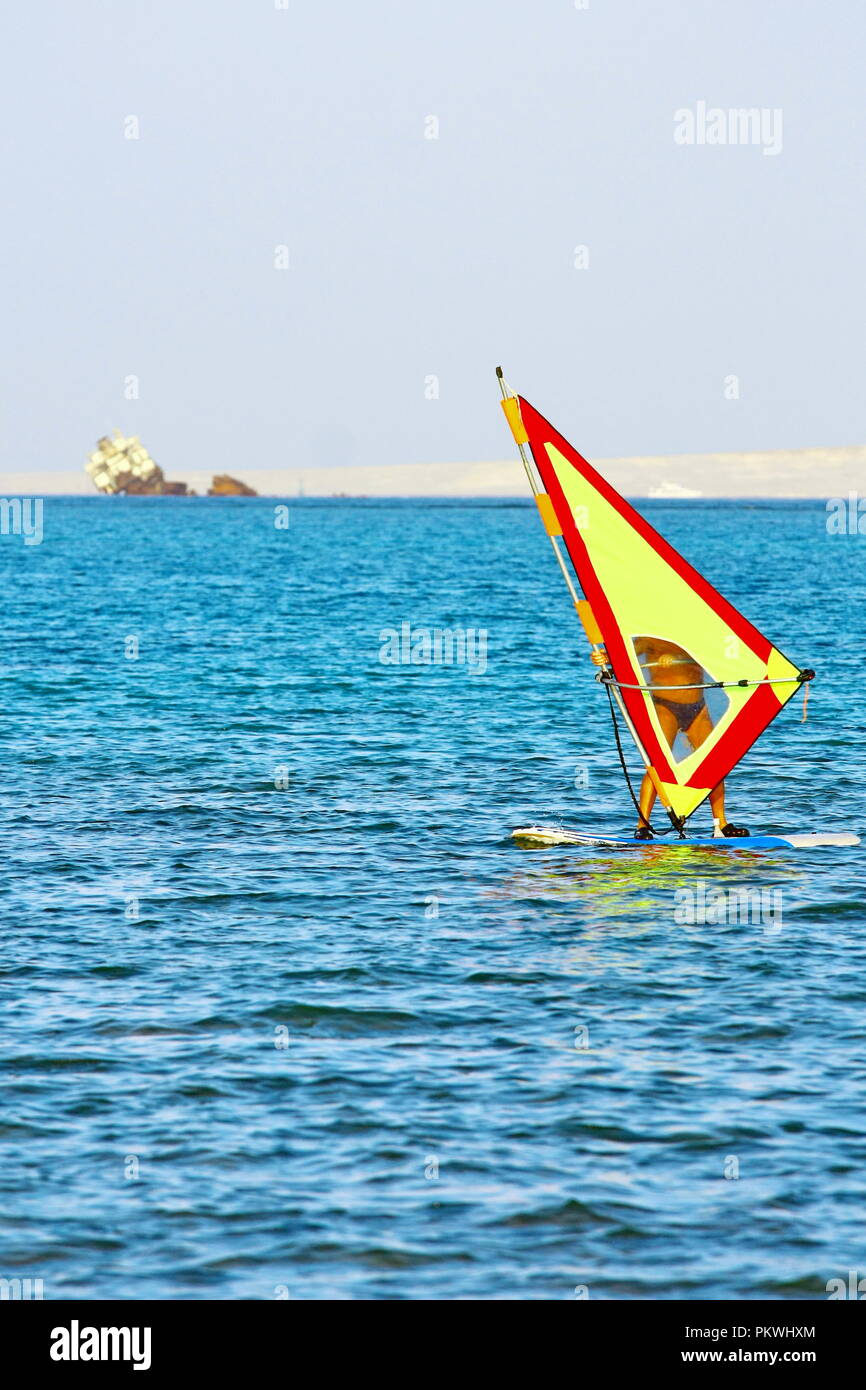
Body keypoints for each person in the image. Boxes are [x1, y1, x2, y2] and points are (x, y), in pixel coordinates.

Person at [591, 639, 749, 839]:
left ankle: (721, 825)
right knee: (657, 762)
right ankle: (643, 826)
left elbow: (723, 653)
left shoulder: (695, 633)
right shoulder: (650, 639)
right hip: (665, 706)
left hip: (698, 706)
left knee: (714, 762)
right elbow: (624, 654)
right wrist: (604, 656)